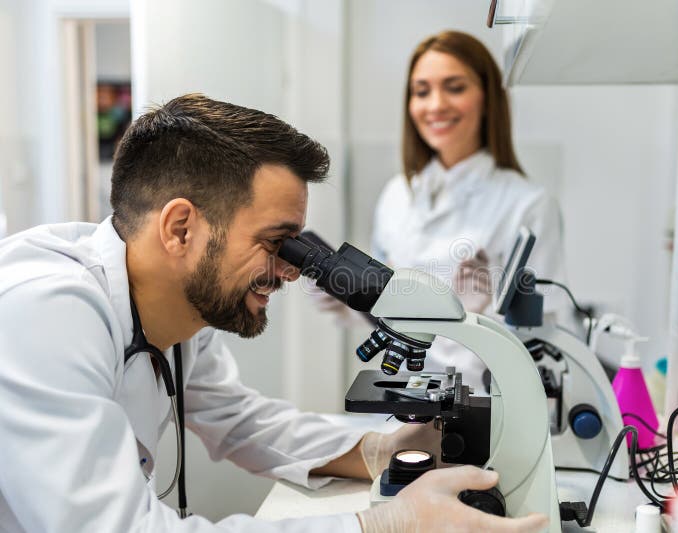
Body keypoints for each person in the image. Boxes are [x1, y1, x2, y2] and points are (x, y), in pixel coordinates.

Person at [0, 94, 548, 532]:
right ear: (180, 228)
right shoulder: (46, 314)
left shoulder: (178, 312)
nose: (292, 271)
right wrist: (380, 525)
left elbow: (242, 421)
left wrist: (378, 451)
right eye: (278, 243)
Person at [315, 30, 567, 392]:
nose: (435, 105)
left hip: (486, 398)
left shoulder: (527, 204)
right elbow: (393, 312)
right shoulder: (397, 195)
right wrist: (350, 299)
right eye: (421, 91)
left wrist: (477, 318)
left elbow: (544, 334)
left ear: (487, 98)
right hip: (403, 391)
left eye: (454, 87)